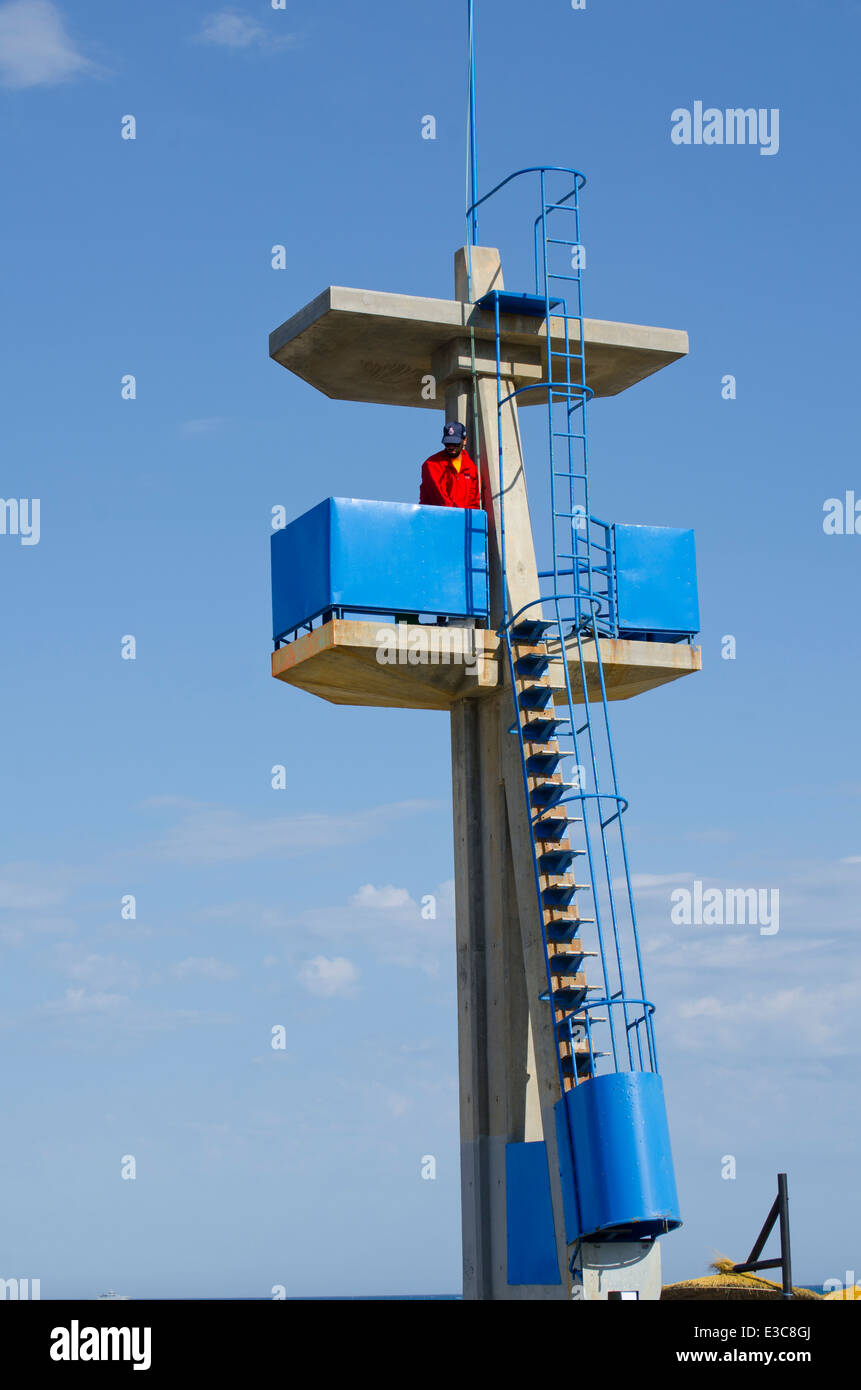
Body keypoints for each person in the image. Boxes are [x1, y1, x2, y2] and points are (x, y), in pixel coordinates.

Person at [420, 421, 481, 510]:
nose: (451, 447)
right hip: (437, 519)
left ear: (464, 440)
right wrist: (456, 517)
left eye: (455, 443)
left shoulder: (471, 468)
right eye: (448, 443)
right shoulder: (432, 465)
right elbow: (440, 498)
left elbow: (474, 502)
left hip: (461, 521)